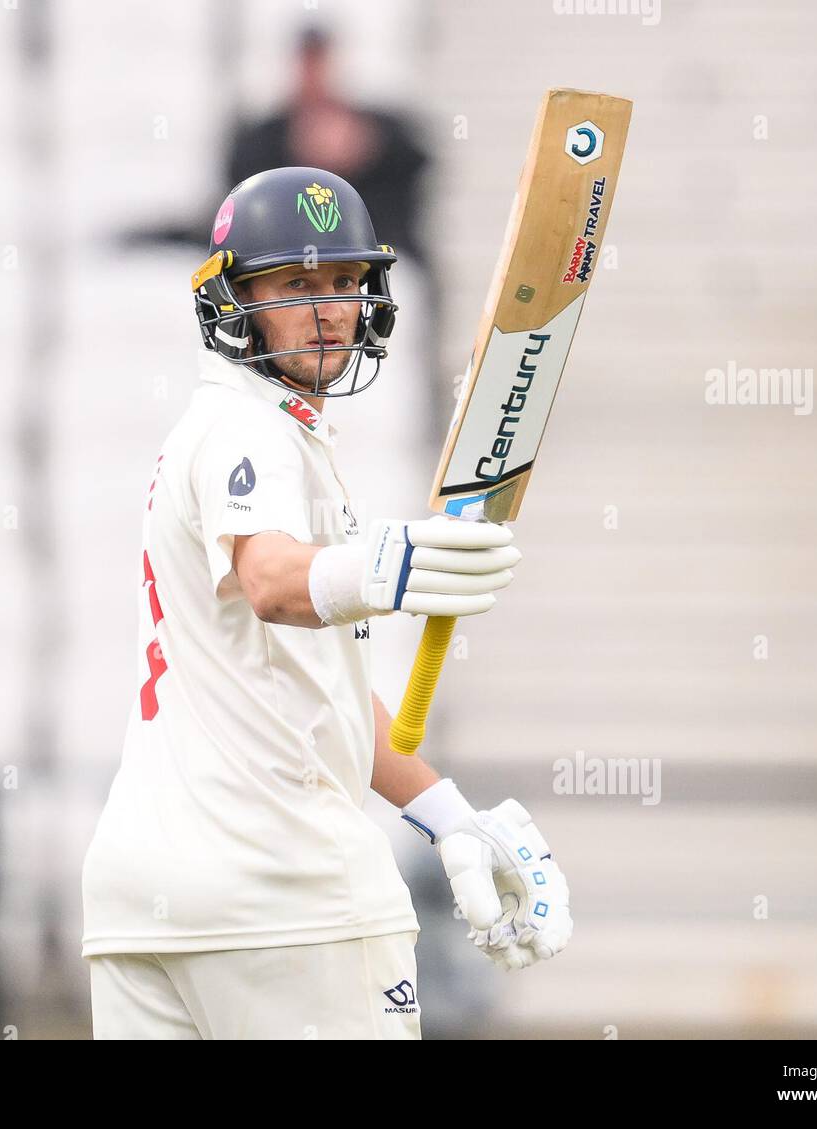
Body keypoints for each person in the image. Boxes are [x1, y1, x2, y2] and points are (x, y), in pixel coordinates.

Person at [80, 167, 572, 1040]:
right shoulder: (249, 430)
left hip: (143, 899)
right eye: (297, 284)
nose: (329, 307)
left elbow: (319, 687)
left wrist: (446, 815)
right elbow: (273, 583)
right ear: (234, 300)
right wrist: (393, 562)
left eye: (345, 281)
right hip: (285, 890)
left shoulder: (238, 431)